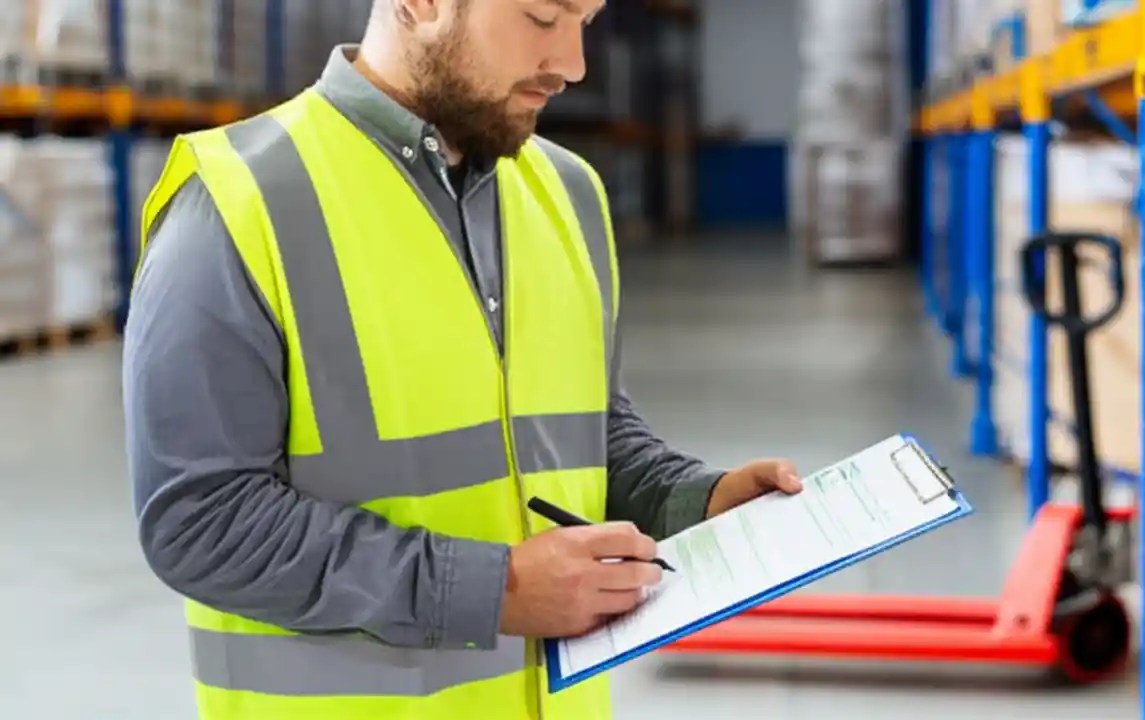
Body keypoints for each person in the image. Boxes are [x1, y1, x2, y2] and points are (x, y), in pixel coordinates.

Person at [122, 0, 803, 718]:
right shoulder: (236, 204)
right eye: (543, 18)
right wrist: (494, 590)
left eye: (587, 22)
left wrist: (696, 500)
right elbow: (201, 521)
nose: (572, 64)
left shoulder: (569, 194)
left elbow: (585, 435)